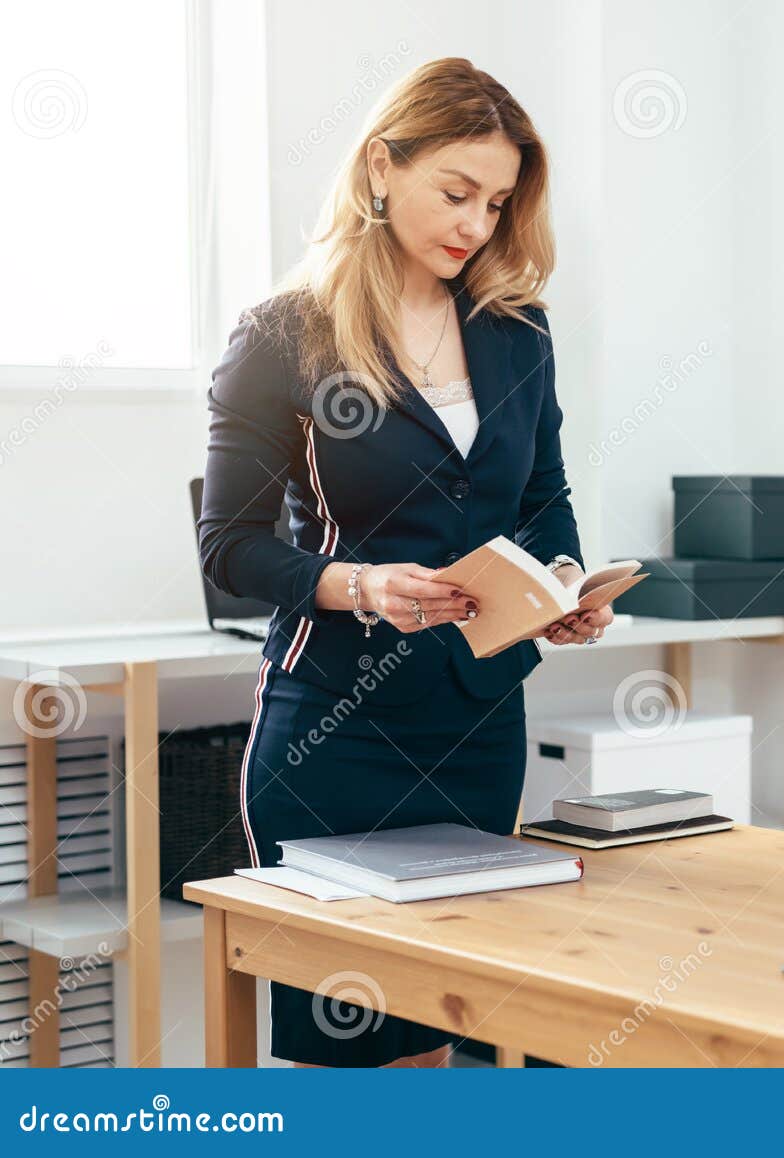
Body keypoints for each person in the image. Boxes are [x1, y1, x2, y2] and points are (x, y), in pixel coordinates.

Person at [198, 57, 605, 1067]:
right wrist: (362, 586)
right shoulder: (282, 335)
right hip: (334, 735)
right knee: (347, 1061)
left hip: (477, 721)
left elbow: (543, 496)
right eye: (456, 192)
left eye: (497, 203)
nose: (476, 225)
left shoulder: (516, 331)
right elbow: (228, 547)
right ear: (382, 166)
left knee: (442, 1033)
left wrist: (560, 584)